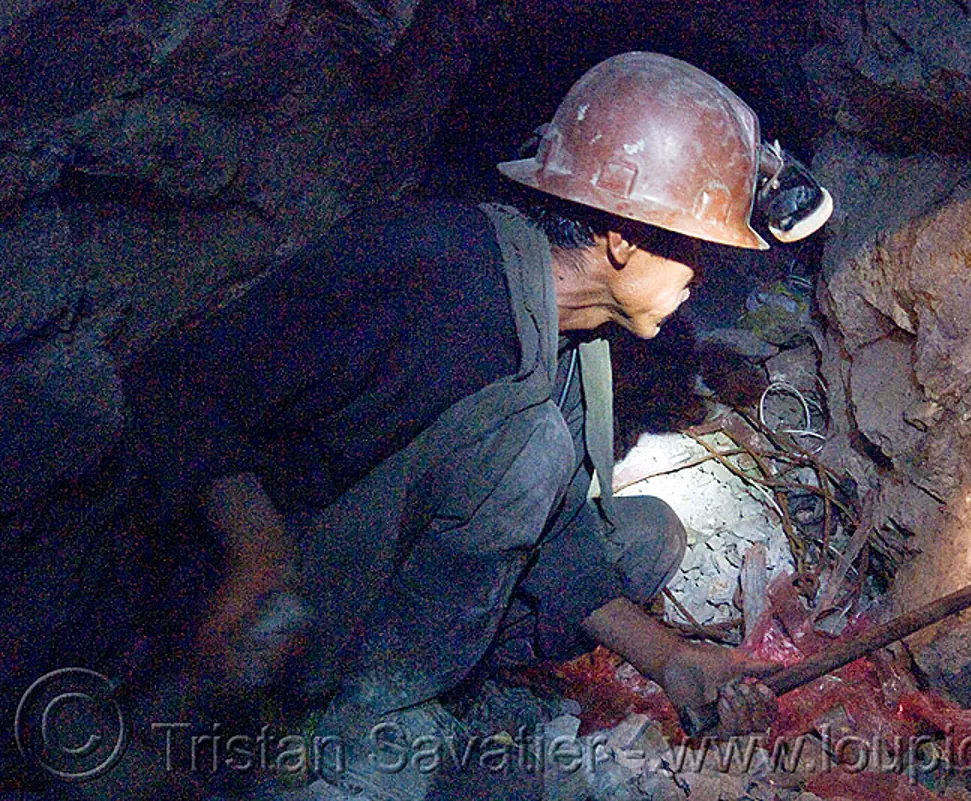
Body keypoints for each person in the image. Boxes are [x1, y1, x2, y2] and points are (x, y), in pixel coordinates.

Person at [119, 50, 833, 786]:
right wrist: (254, 549)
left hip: (385, 570)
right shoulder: (432, 271)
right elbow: (180, 382)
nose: (701, 278)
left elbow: (554, 527)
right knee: (530, 449)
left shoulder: (573, 336)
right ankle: (352, 714)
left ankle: (423, 673)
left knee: (646, 535)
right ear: (624, 236)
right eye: (692, 252)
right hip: (277, 599)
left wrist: (670, 658)